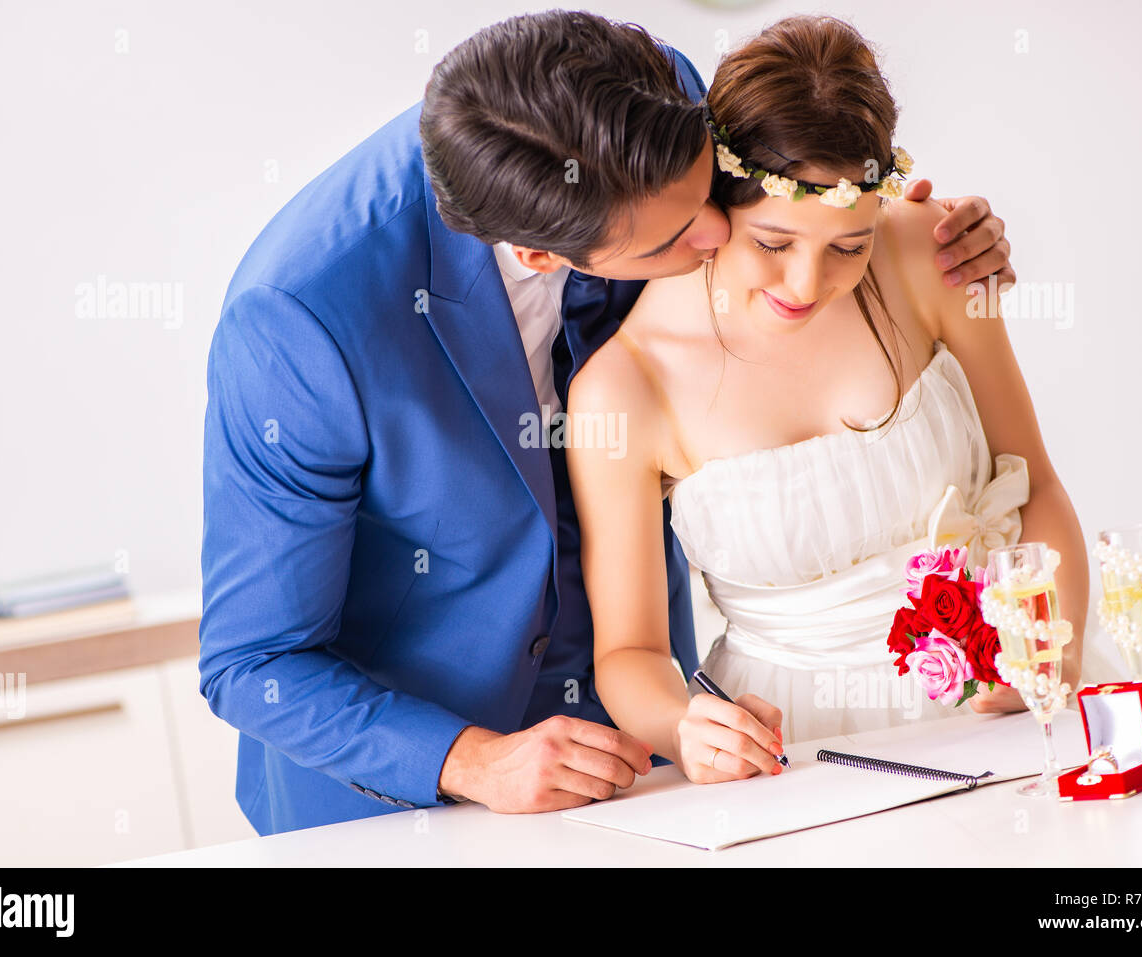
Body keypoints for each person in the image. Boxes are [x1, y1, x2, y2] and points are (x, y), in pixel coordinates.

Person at [200, 10, 1019, 832]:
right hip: (409, 793)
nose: (716, 231)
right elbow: (253, 660)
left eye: (712, 196)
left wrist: (902, 236)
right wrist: (474, 758)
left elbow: (796, 203)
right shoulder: (300, 323)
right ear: (540, 254)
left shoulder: (663, 108)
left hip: (645, 756)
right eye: (675, 234)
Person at [567, 14, 1085, 784]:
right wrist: (682, 724)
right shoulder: (625, 386)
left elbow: (1035, 481)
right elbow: (628, 654)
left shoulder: (925, 250)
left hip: (1001, 704)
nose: (807, 285)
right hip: (795, 753)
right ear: (714, 203)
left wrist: (1054, 649)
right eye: (773, 244)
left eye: (850, 246)